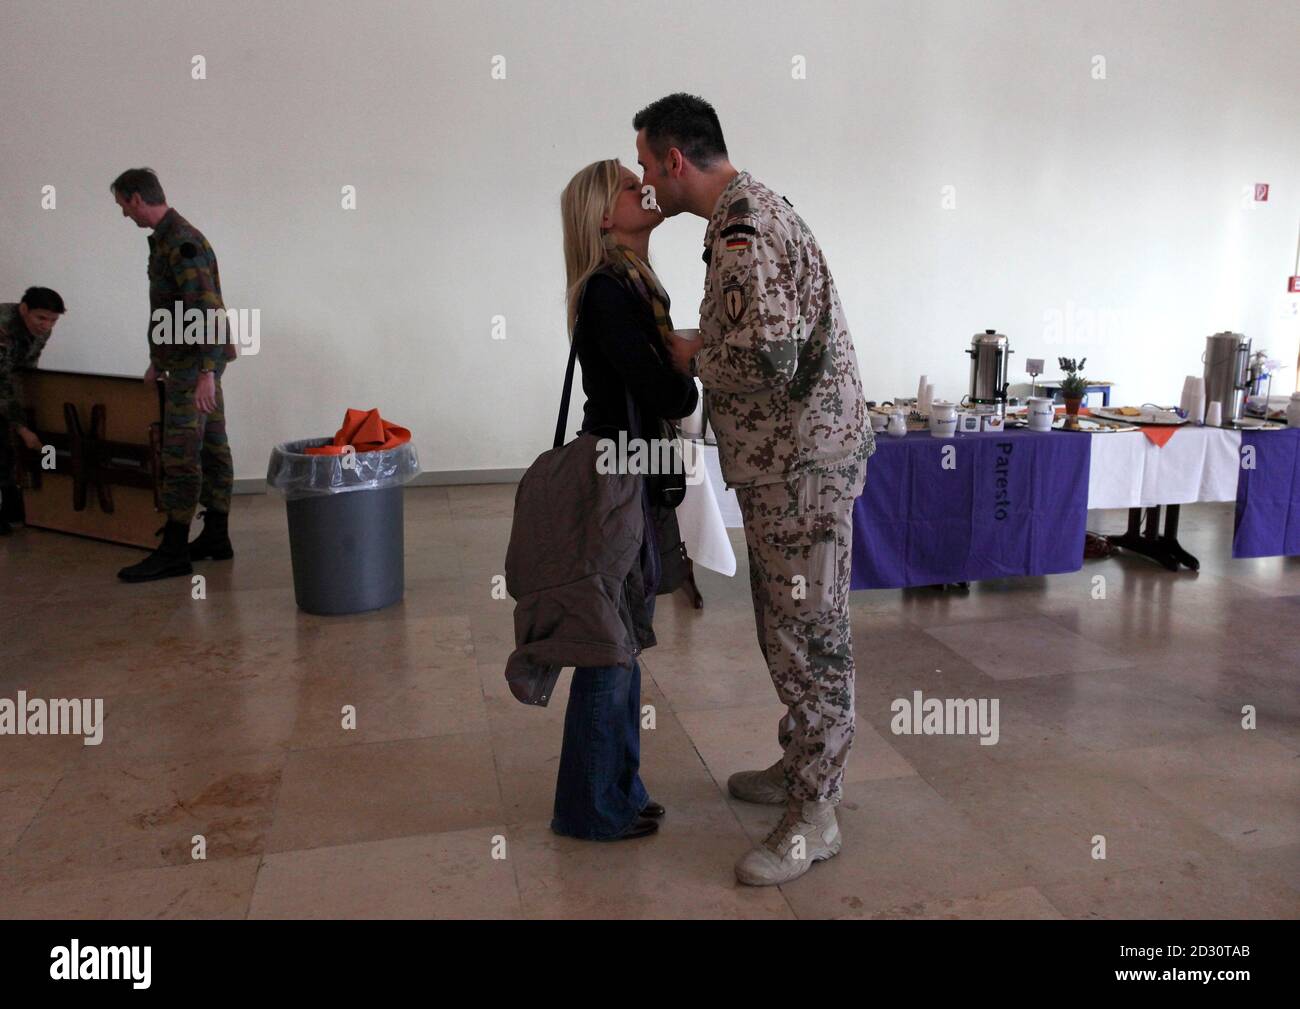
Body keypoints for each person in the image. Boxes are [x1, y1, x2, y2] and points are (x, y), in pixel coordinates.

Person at [634, 93, 874, 885]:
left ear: (676, 160)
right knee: (787, 627)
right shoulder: (749, 210)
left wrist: (690, 358)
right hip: (793, 463)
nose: (645, 186)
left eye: (646, 166)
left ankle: (816, 811)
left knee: (810, 638)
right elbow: (771, 336)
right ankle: (802, 763)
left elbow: (766, 361)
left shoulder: (741, 227)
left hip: (800, 467)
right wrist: (714, 341)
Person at [553, 158, 699, 841]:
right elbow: (663, 390)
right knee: (609, 641)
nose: (641, 185)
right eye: (623, 182)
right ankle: (590, 805)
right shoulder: (614, 291)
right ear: (604, 217)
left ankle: (619, 786)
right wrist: (688, 369)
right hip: (617, 478)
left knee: (624, 638)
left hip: (630, 472)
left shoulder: (631, 285)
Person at [110, 168, 235, 582]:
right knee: (213, 449)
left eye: (123, 207)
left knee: (180, 455)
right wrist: (157, 358)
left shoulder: (181, 241)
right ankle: (216, 537)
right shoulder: (167, 239)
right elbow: (173, 309)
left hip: (194, 367)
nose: (125, 216)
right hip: (187, 362)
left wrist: (205, 372)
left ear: (136, 198)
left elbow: (205, 309)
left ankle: (174, 550)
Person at [0, 287, 65, 535]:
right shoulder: (3, 327)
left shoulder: (41, 331)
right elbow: (2, 382)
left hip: (5, 381)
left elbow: (27, 370)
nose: (46, 326)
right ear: (24, 309)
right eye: (41, 318)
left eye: (53, 320)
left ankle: (13, 502)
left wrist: (29, 407)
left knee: (11, 441)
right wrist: (22, 427)